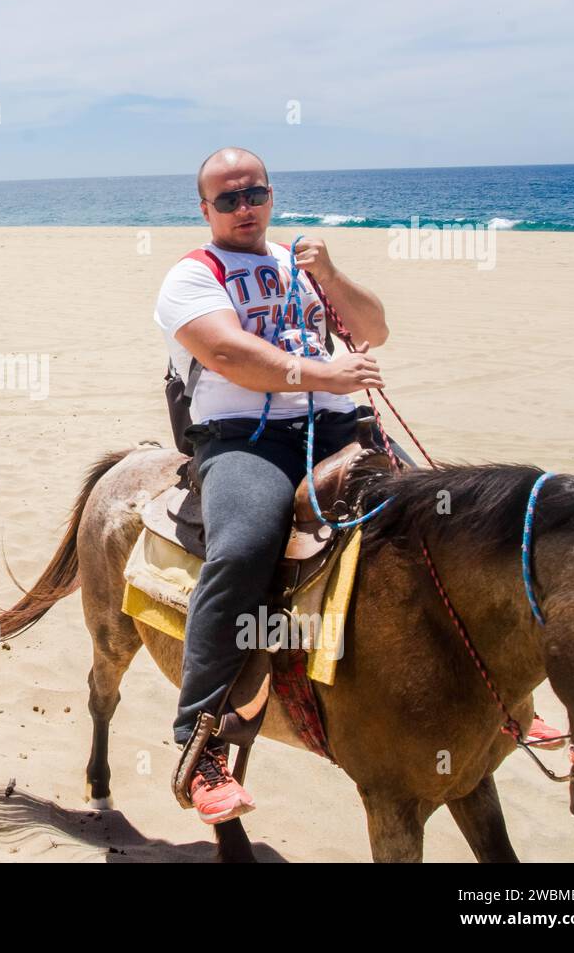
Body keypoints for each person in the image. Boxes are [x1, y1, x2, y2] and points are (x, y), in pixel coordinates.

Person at [155, 147, 391, 826]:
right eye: (226, 199)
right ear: (205, 209)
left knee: (445, 512)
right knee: (246, 543)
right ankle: (198, 742)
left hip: (338, 426)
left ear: (270, 194)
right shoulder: (192, 277)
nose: (243, 207)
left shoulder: (300, 265)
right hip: (245, 439)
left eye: (253, 192)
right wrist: (325, 375)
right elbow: (228, 353)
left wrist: (333, 274)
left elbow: (374, 330)